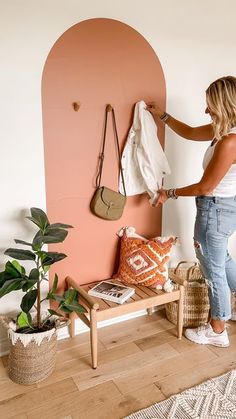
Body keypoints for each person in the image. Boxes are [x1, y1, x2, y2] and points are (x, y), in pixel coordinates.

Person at [147, 75, 236, 348]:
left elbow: (205, 186)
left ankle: (218, 328)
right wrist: (163, 117)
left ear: (224, 104)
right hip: (225, 208)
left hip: (214, 209)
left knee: (213, 269)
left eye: (210, 105)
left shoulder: (230, 141)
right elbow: (189, 132)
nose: (206, 110)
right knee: (224, 261)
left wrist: (168, 193)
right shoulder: (224, 130)